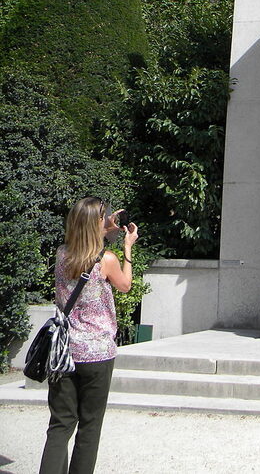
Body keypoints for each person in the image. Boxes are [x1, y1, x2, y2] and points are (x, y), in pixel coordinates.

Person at [39, 196, 138, 474]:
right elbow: (126, 285)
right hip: (96, 354)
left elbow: (85, 244)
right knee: (90, 425)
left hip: (63, 352)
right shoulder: (107, 260)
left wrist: (104, 227)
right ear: (95, 223)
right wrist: (127, 247)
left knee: (60, 424)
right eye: (102, 217)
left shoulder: (61, 254)